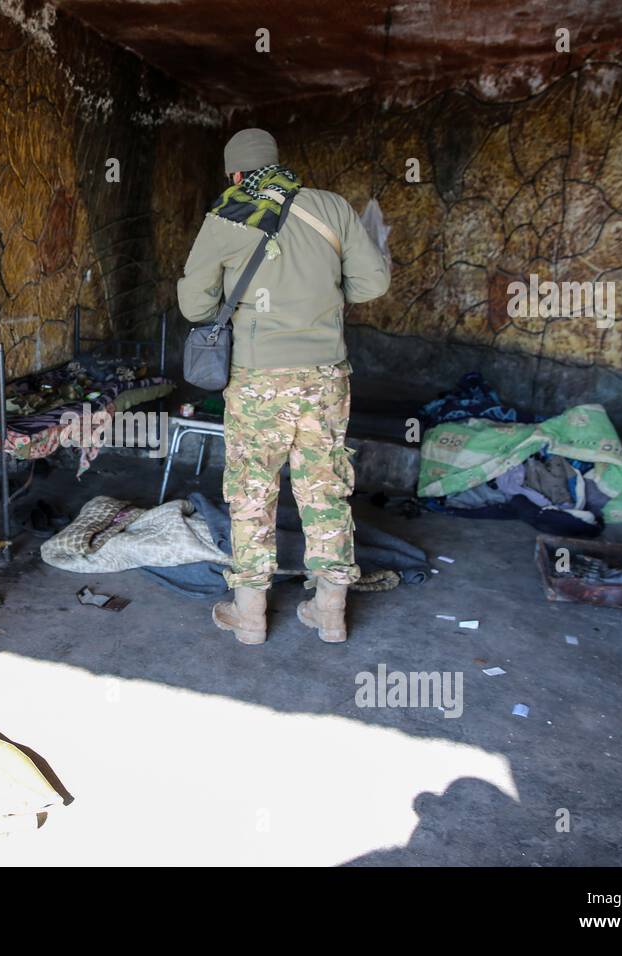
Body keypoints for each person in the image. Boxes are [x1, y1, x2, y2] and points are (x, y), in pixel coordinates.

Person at [177, 128, 391, 645]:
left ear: (234, 174)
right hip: (325, 378)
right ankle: (331, 610)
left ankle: (250, 614)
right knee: (325, 488)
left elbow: (194, 307)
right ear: (277, 164)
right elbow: (373, 283)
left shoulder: (226, 217)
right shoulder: (332, 207)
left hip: (257, 381)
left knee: (252, 492)